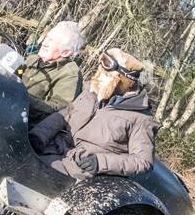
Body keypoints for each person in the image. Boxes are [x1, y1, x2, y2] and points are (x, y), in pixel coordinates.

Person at [29, 47, 157, 180]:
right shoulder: (92, 90)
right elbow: (66, 113)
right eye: (99, 71)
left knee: (27, 174)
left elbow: (143, 162)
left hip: (76, 169)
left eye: (106, 75)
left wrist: (99, 162)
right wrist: (39, 135)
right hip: (52, 149)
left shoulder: (141, 118)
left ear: (123, 81)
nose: (98, 77)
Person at [19, 20, 84, 113]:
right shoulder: (32, 59)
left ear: (66, 52)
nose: (45, 43)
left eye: (52, 41)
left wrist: (20, 97)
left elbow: (55, 109)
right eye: (47, 38)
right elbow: (13, 75)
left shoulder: (70, 75)